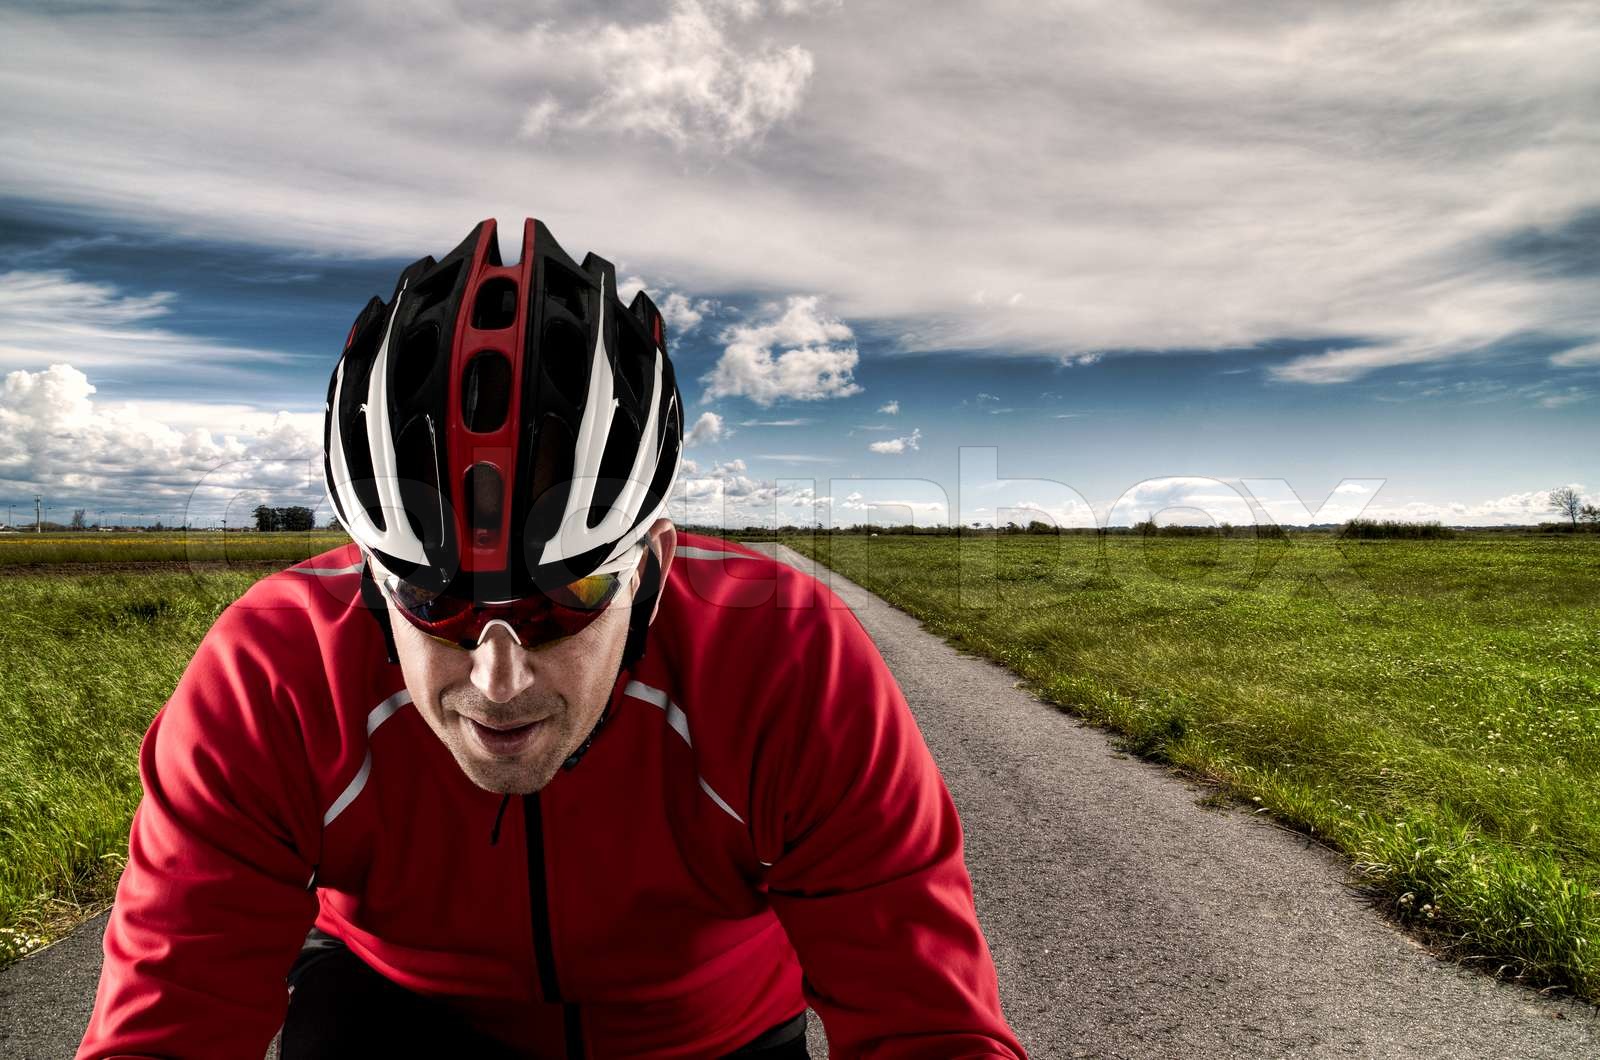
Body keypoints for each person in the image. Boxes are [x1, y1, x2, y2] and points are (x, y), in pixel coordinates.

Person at [78, 219, 1027, 1058]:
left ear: (651, 559)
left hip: (704, 1033)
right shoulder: (270, 672)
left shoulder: (788, 658)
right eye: (429, 599)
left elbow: (929, 1026)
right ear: (371, 571)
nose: (496, 678)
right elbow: (166, 1026)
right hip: (398, 1015)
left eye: (570, 594)